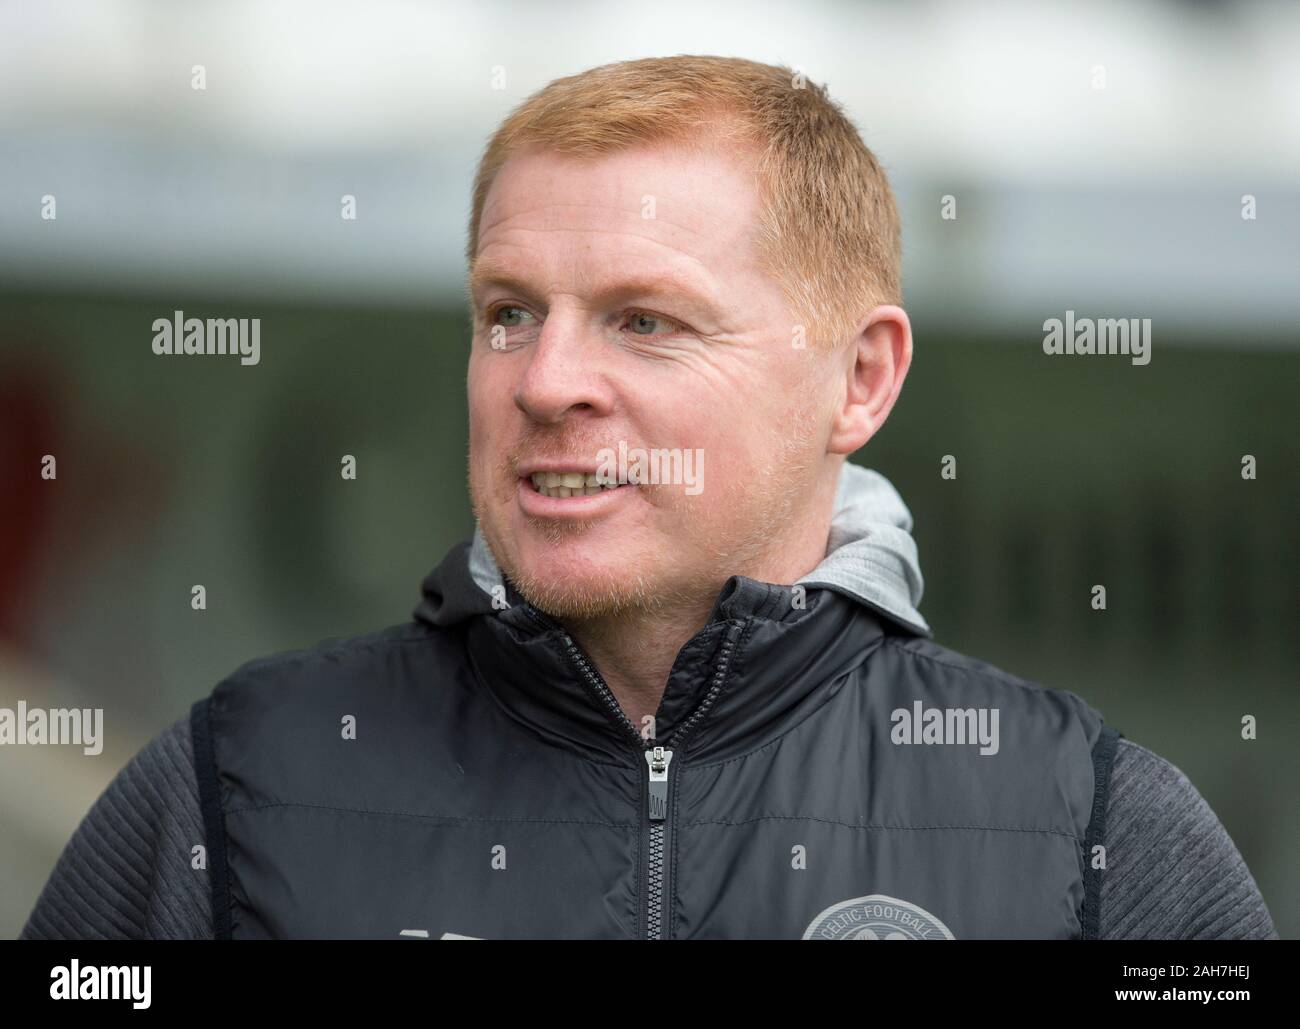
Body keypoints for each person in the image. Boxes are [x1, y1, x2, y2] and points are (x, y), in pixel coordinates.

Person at [21, 55, 1276, 940]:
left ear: (859, 379)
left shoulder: (1100, 836)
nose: (549, 381)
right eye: (509, 313)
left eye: (645, 320)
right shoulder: (227, 792)